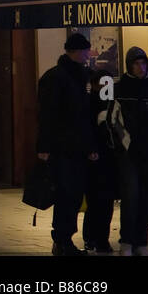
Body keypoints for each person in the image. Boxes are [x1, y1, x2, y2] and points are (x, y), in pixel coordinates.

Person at [36, 32, 98, 256]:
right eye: (85, 50)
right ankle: (62, 239)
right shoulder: (59, 78)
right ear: (76, 51)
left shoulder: (80, 76)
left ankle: (64, 239)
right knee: (66, 193)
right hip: (63, 147)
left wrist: (90, 147)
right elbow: (48, 115)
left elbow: (84, 116)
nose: (88, 54)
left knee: (73, 194)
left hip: (77, 147)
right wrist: (44, 147)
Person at [111, 47, 148, 255]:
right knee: (131, 197)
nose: (141, 67)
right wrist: (126, 143)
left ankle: (140, 241)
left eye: (143, 63)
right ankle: (127, 241)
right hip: (129, 152)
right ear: (130, 65)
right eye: (136, 63)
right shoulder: (120, 89)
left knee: (147, 197)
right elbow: (113, 120)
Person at [82, 68, 117, 253]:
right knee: (97, 200)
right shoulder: (92, 103)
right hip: (97, 157)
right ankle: (94, 238)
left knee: (103, 201)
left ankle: (98, 238)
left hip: (106, 157)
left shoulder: (109, 102)